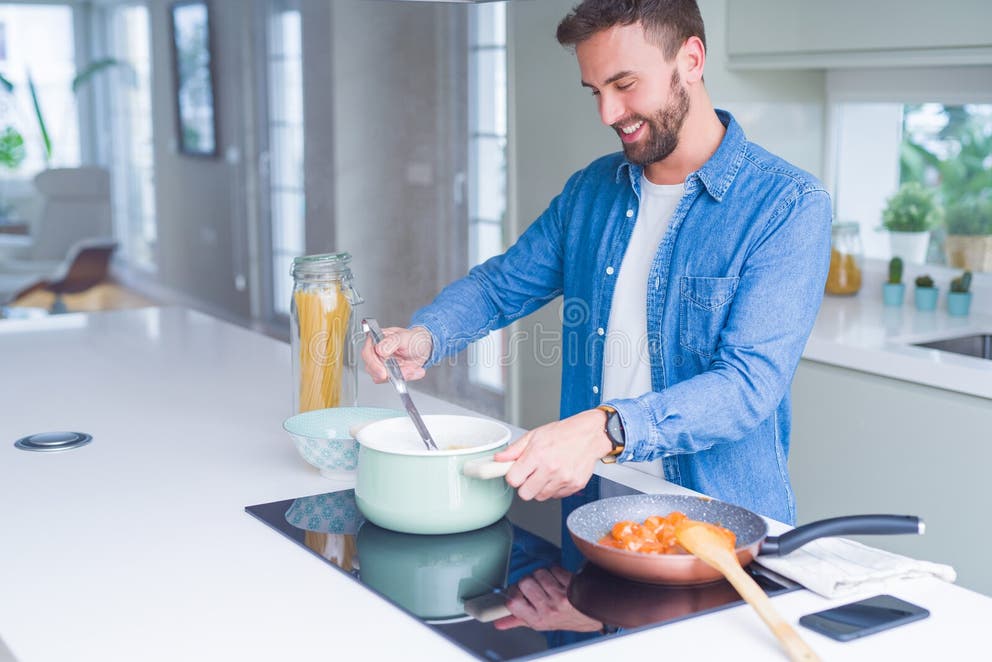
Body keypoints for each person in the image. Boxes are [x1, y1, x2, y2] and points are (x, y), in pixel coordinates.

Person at [362, 0, 831, 529]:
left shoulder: (786, 204)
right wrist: (427, 335)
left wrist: (605, 429)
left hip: (720, 534)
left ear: (692, 60)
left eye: (625, 84)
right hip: (597, 518)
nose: (608, 114)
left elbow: (747, 388)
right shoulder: (592, 190)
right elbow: (500, 287)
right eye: (596, 92)